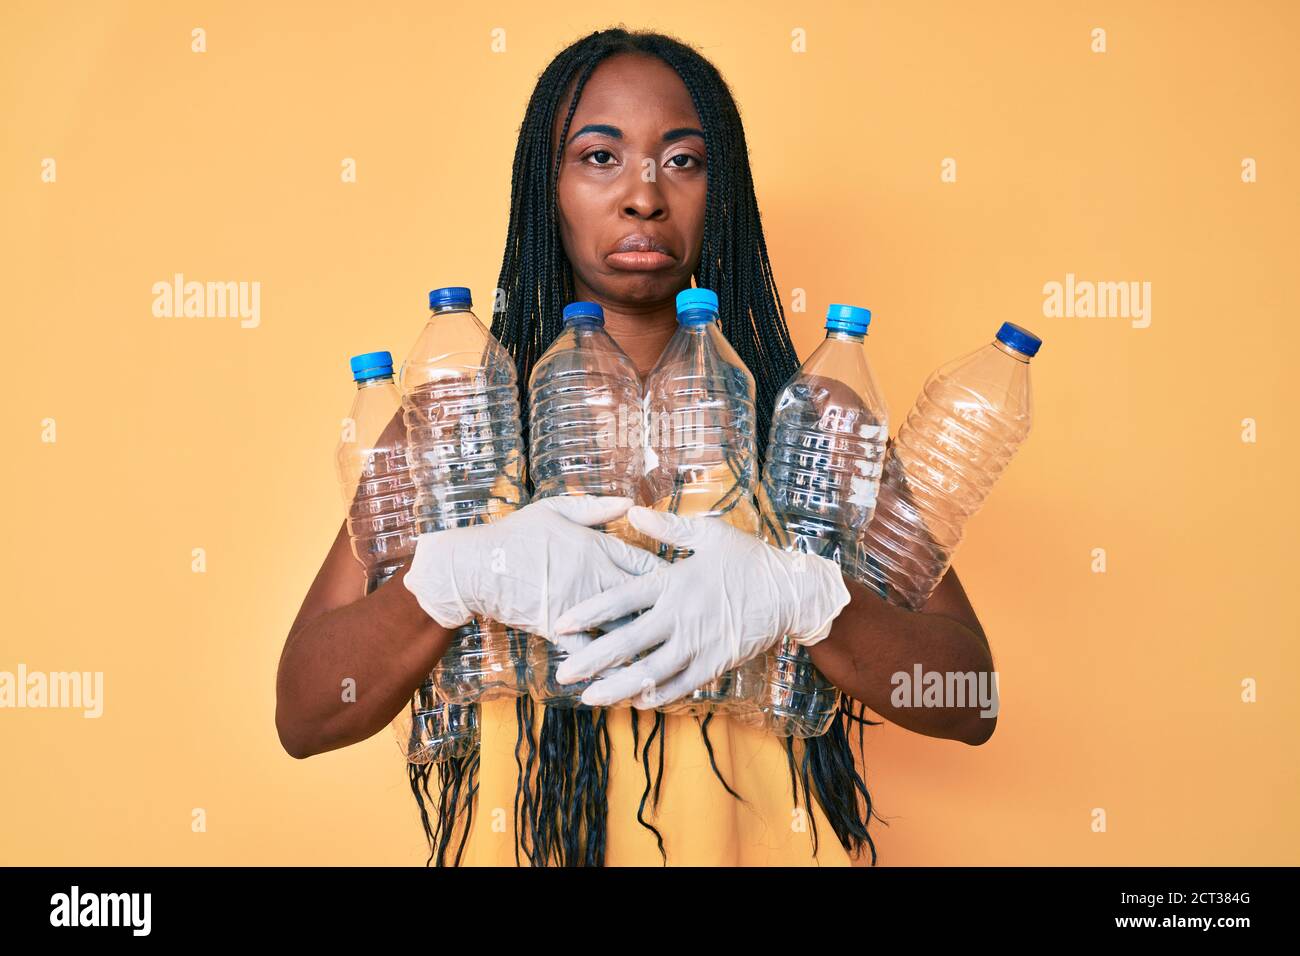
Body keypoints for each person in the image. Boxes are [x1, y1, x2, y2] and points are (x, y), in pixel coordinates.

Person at [276, 27, 995, 867]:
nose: (644, 195)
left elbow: (970, 698)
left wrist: (808, 600)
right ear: (546, 190)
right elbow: (305, 712)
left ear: (719, 193)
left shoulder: (810, 422)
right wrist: (448, 581)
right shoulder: (461, 424)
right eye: (599, 157)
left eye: (682, 161)